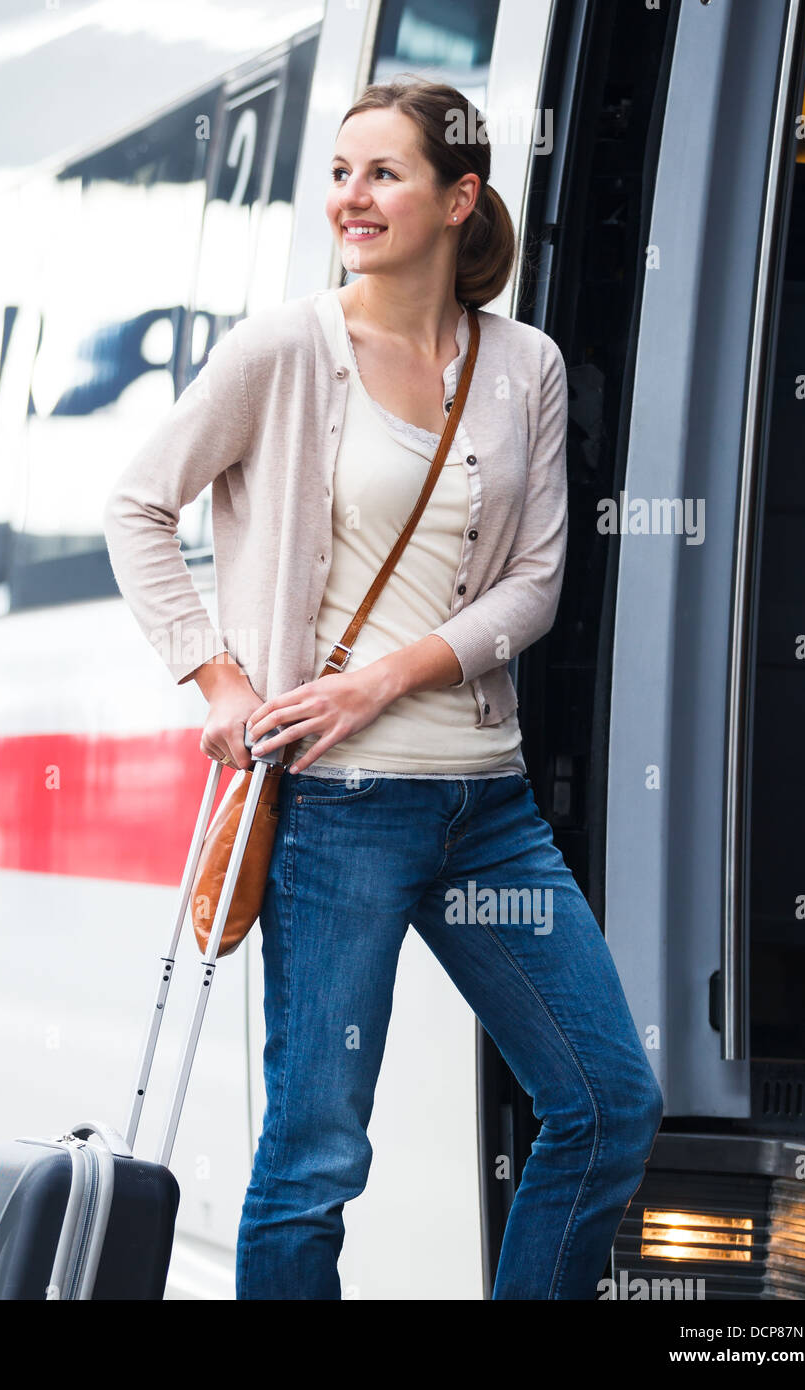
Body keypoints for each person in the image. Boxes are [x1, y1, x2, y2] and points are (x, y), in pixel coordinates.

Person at [103, 78, 663, 1300]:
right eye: (342, 172)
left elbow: (533, 583)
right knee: (314, 1162)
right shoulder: (283, 352)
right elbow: (137, 504)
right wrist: (219, 681)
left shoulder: (526, 364)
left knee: (609, 1102)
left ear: (459, 198)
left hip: (486, 808)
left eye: (383, 173)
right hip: (335, 811)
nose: (350, 197)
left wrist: (386, 678)